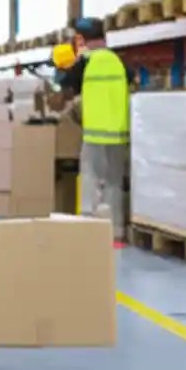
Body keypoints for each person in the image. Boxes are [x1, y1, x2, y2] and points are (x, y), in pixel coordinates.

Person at [57, 18, 133, 240]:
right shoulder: (117, 61)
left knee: (90, 180)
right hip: (119, 135)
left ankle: (88, 233)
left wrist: (74, 56)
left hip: (94, 136)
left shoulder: (86, 62)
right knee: (114, 184)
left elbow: (64, 82)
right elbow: (131, 79)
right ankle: (116, 232)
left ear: (81, 39)